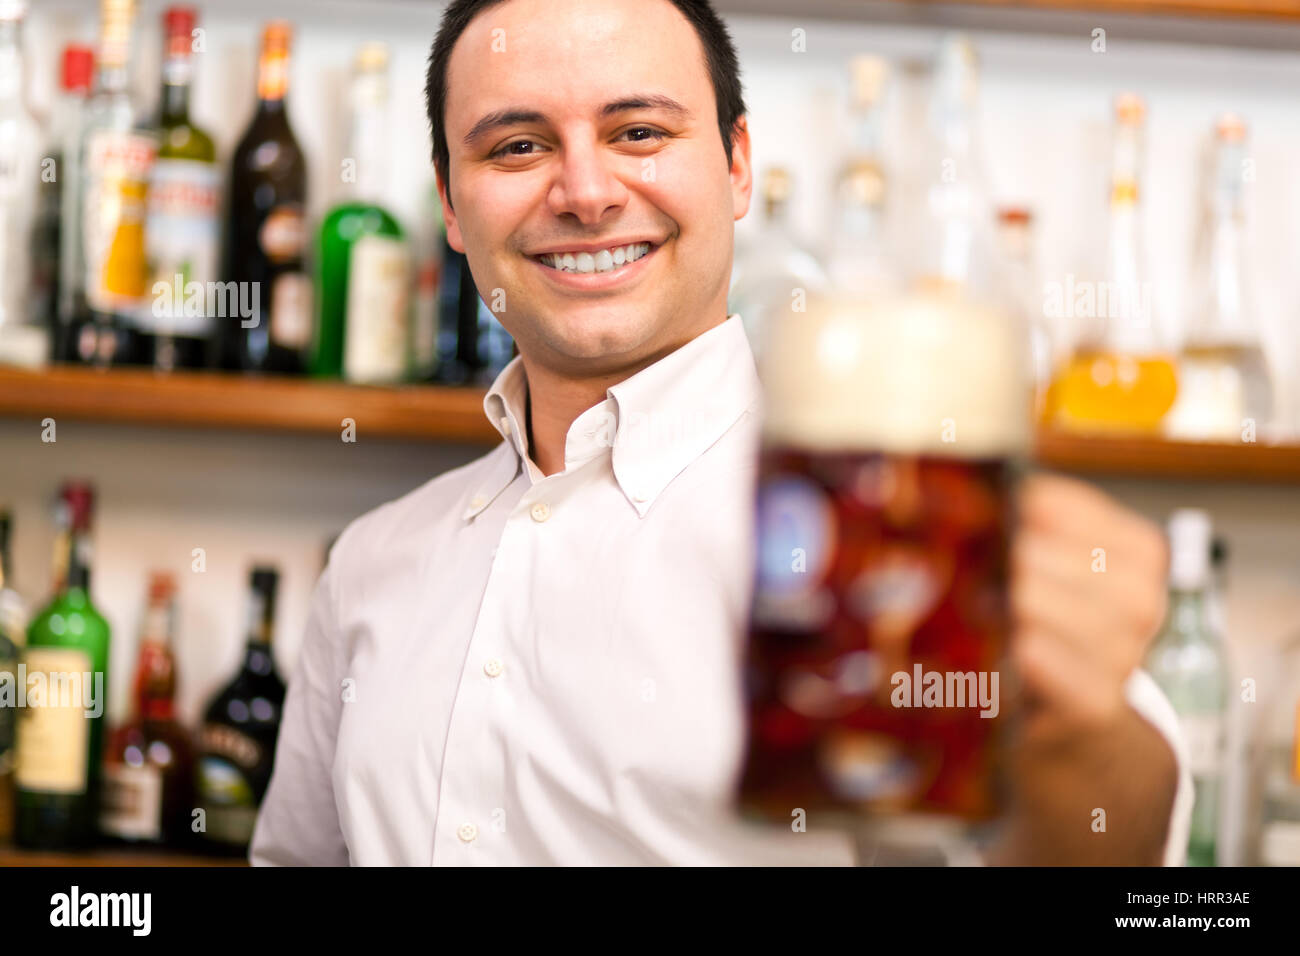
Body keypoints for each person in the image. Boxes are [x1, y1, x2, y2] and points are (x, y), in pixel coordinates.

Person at [250, 0, 1191, 865]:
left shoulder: (882, 527)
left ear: (738, 166)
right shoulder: (370, 565)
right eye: (518, 147)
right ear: (451, 207)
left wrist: (1086, 731)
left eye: (640, 132)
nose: (584, 192)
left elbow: (1114, 841)